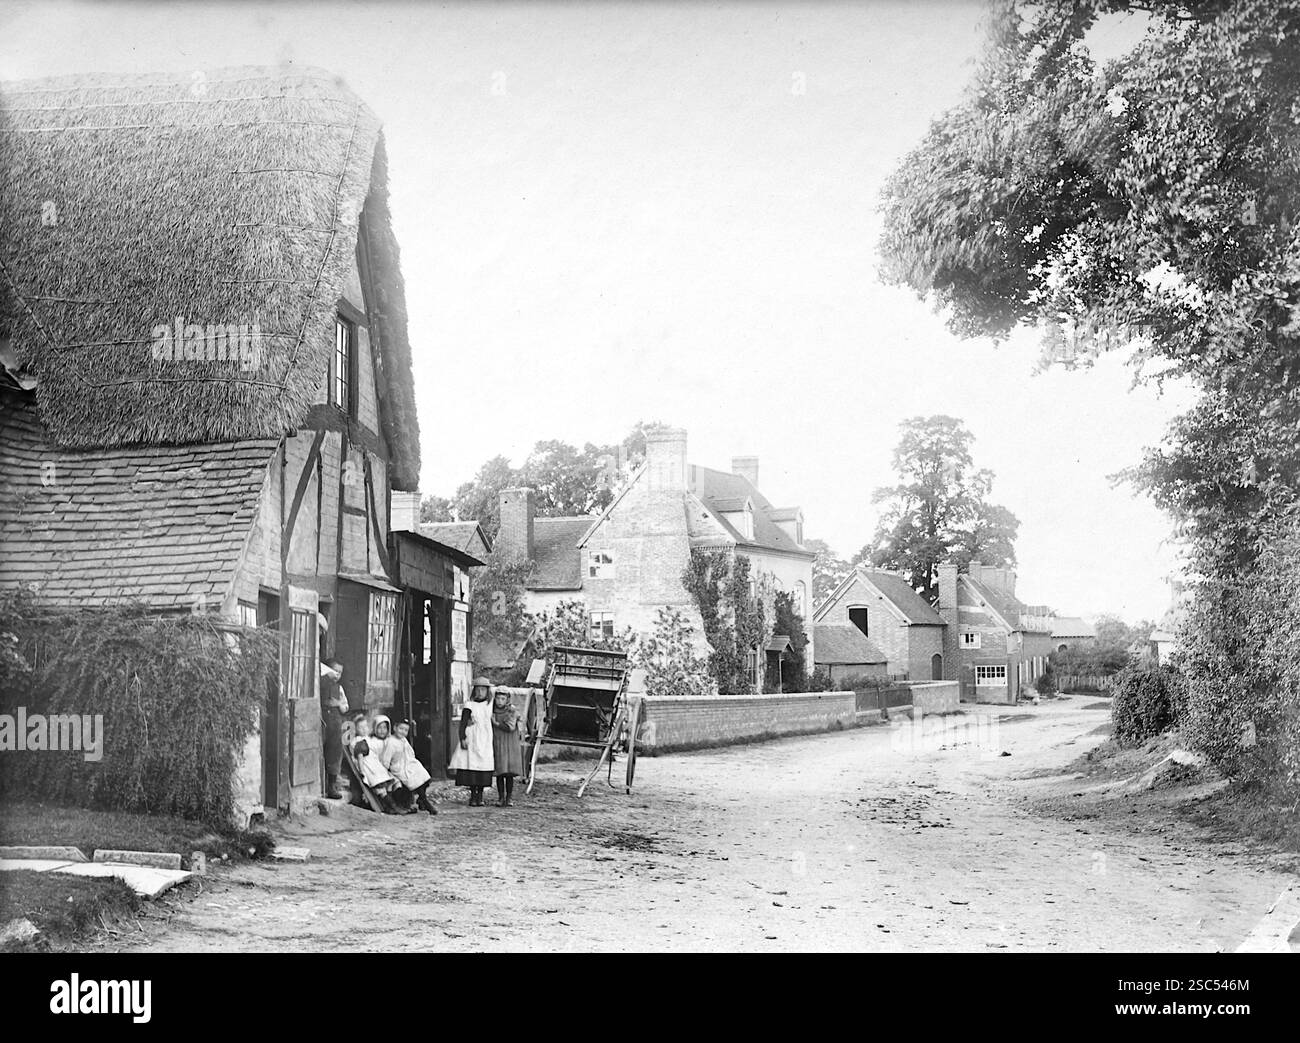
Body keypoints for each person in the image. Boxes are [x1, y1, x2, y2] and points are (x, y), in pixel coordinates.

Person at [448, 677, 495, 806]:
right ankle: (473, 796)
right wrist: (462, 738)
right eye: (478, 690)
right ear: (474, 691)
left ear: (487, 691)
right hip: (473, 736)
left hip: (485, 738)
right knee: (472, 765)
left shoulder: (490, 705)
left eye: (483, 690)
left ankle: (480, 796)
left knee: (483, 765)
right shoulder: (469, 705)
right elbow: (463, 723)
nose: (480, 692)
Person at [380, 719, 437, 815]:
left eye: (406, 730)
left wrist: (412, 762)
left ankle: (421, 799)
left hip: (408, 763)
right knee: (414, 779)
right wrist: (386, 771)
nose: (403, 732)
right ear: (395, 728)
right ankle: (425, 802)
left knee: (423, 774)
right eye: (401, 728)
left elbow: (411, 752)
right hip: (398, 767)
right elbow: (386, 759)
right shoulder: (391, 742)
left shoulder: (403, 740)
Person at [319, 658, 349, 799]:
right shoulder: (319, 684)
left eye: (339, 672)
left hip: (335, 721)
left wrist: (337, 704)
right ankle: (320, 784)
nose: (337, 674)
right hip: (322, 718)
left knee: (334, 751)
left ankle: (331, 786)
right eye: (334, 671)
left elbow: (345, 707)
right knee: (320, 749)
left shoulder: (339, 689)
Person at [491, 688, 524, 807]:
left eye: (503, 699)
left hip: (510, 744)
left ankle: (509, 797)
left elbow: (510, 727)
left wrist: (496, 724)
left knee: (509, 773)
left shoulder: (511, 711)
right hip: (498, 742)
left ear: (507, 699)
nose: (500, 701)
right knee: (500, 771)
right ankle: (500, 797)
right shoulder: (492, 710)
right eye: (498, 698)